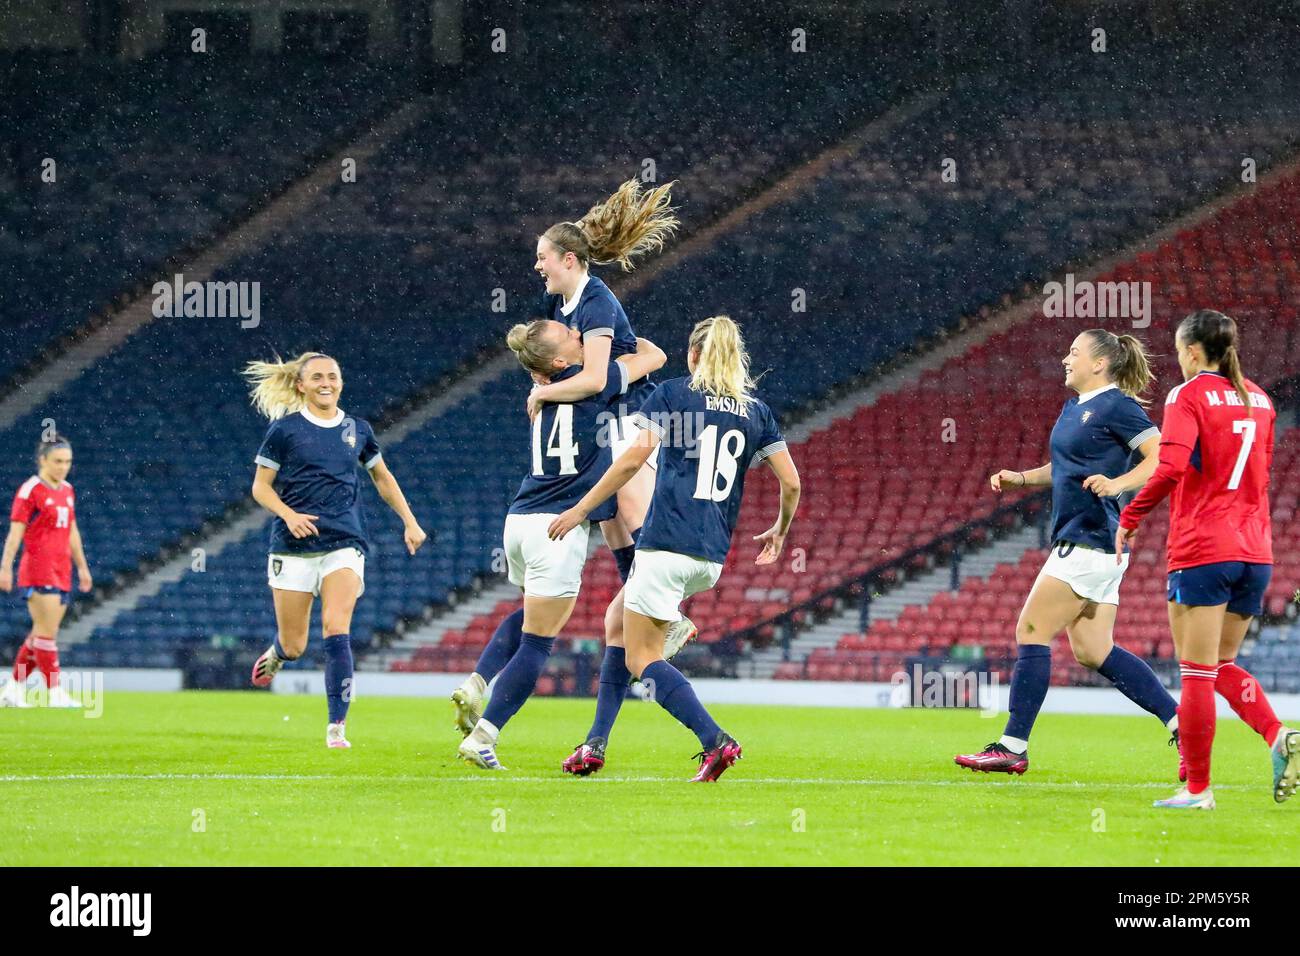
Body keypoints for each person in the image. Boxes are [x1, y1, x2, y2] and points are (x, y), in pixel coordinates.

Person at [549, 315, 801, 782]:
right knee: (615, 624)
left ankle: (715, 740)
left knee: (642, 659)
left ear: (692, 355)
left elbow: (630, 463)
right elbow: (791, 481)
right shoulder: (757, 411)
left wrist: (582, 508)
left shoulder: (673, 395)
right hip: (711, 554)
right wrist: (779, 531)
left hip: (666, 544)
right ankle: (594, 744)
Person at [955, 330, 1181, 775]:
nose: (1065, 358)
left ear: (1100, 364)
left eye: (1074, 352)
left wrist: (1118, 485)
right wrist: (1020, 478)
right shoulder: (1074, 407)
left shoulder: (1118, 405)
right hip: (1092, 543)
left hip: (1091, 539)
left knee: (1032, 629)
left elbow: (1163, 455)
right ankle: (1180, 721)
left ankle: (1012, 746)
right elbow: (1065, 467)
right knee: (1094, 651)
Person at [456, 323, 666, 769]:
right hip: (557, 527)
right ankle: (484, 736)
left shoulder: (545, 391)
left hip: (519, 520)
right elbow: (655, 355)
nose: (579, 332)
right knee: (538, 644)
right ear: (557, 362)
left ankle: (477, 681)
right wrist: (619, 339)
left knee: (531, 616)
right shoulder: (598, 383)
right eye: (570, 334)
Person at [1118, 310, 1298, 809]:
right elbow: (1259, 477)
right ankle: (1278, 736)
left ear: (1193, 351)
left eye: (1178, 351)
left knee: (1196, 671)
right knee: (1220, 665)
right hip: (1255, 550)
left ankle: (1198, 789)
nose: (1178, 360)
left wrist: (1130, 517)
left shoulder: (1188, 395)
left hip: (1203, 547)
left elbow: (1171, 465)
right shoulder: (1259, 398)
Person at [243, 352, 426, 749]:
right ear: (301, 386)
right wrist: (289, 515)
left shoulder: (357, 429)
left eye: (333, 376)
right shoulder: (284, 431)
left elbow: (382, 476)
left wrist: (409, 521)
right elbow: (260, 487)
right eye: (318, 377)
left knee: (336, 627)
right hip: (293, 547)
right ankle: (277, 652)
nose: (327, 382)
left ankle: (336, 727)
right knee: (295, 646)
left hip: (344, 542)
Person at [0, 435, 92, 708]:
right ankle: (55, 693)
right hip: (38, 567)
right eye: (57, 461)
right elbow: (15, 534)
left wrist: (82, 566)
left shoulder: (67, 490)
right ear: (42, 460)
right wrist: (5, 568)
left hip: (61, 569)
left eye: (67, 462)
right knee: (46, 634)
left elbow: (72, 531)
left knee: (40, 632)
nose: (63, 467)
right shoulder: (31, 490)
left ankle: (13, 689)